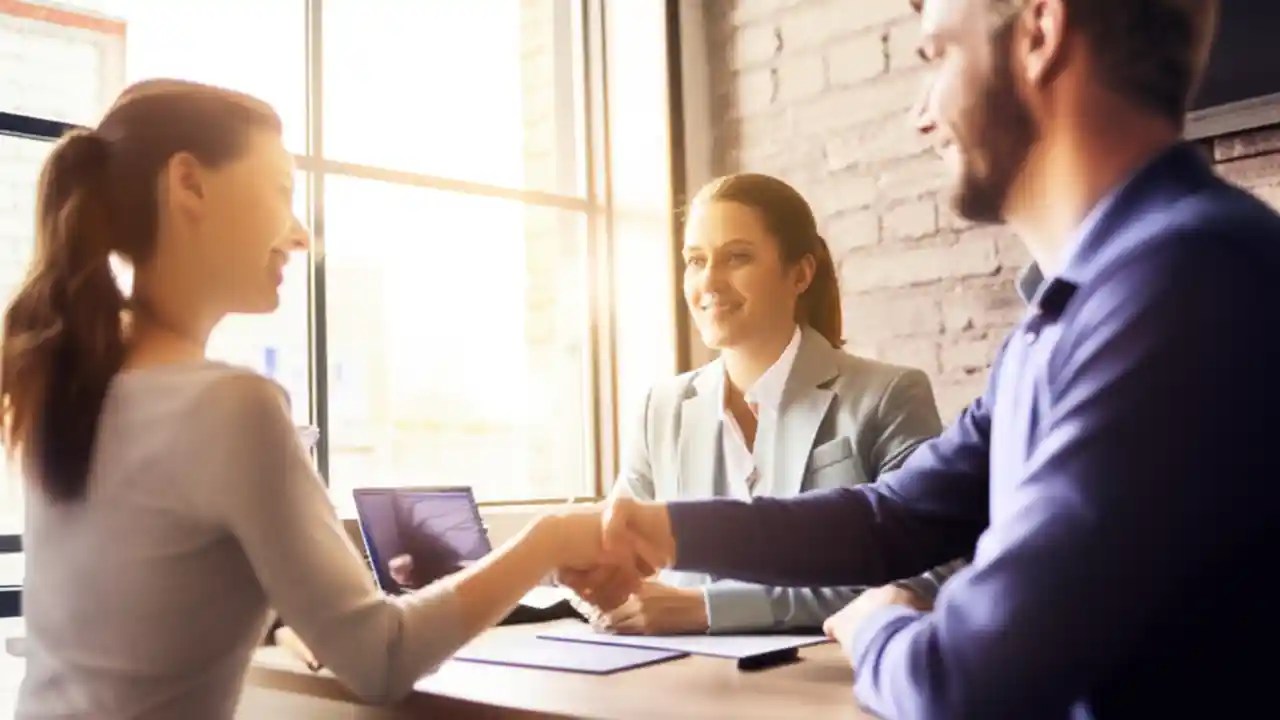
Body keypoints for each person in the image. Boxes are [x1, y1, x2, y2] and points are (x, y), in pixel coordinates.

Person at [573, 0, 1280, 717]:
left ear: (1040, 31)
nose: (921, 115)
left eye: (936, 55)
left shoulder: (1188, 283)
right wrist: (661, 528)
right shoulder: (1078, 309)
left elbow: (962, 683)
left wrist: (875, 624)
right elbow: (894, 515)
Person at [3, 79, 629, 720]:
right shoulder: (231, 406)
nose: (299, 235)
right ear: (189, 184)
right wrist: (550, 540)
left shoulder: (62, 382)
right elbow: (379, 659)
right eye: (280, 191)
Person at [577, 172, 960, 636]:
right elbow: (618, 553)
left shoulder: (888, 395)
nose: (710, 282)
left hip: (824, 684)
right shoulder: (660, 409)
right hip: (673, 679)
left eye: (737, 257)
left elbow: (933, 571)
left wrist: (710, 608)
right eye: (695, 261)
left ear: (799, 273)